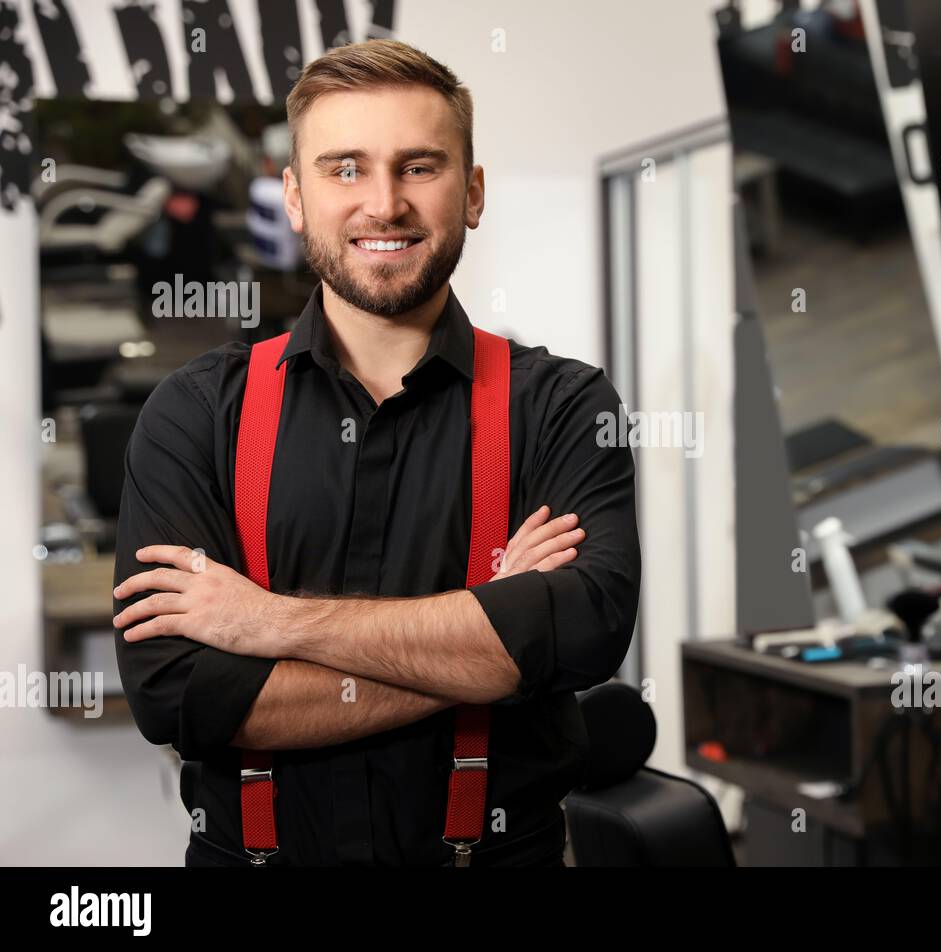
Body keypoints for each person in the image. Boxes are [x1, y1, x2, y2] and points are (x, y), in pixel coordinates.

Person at [111, 38, 641, 867]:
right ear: (294, 197)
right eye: (345, 168)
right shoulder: (194, 415)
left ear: (471, 193)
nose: (383, 204)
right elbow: (177, 696)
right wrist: (489, 637)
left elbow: (581, 634)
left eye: (420, 167)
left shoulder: (563, 407)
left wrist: (268, 622)